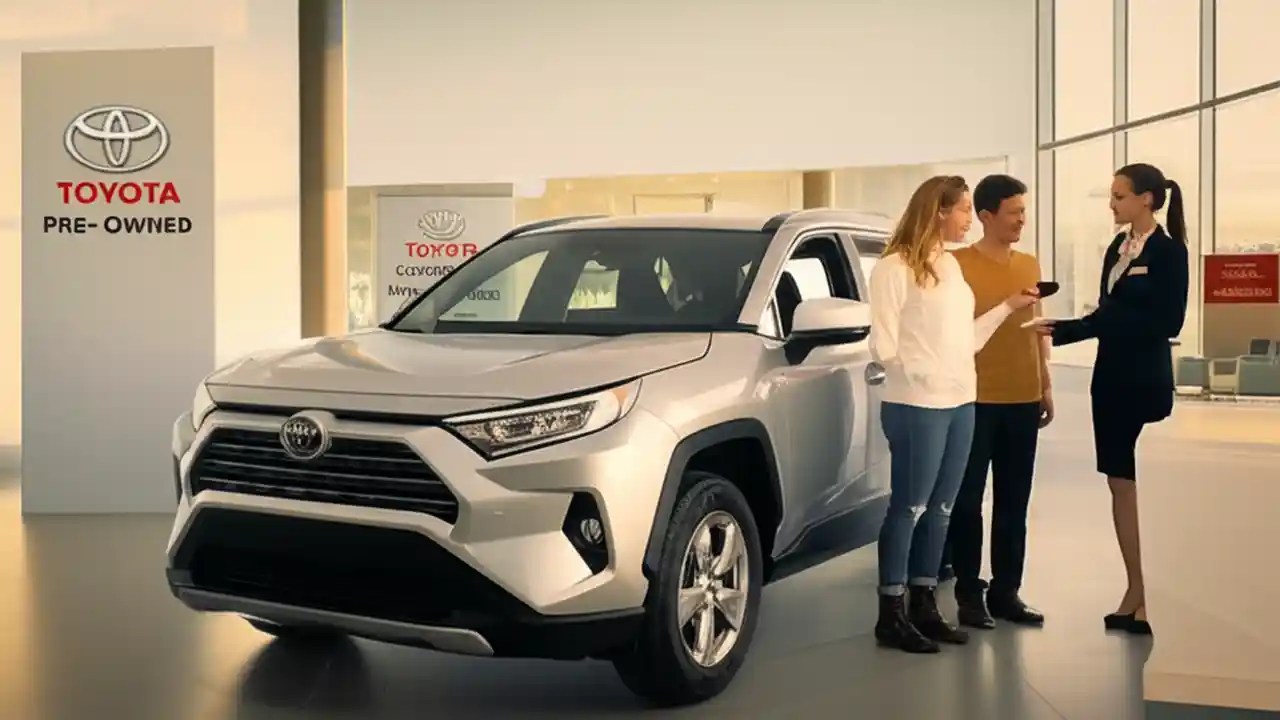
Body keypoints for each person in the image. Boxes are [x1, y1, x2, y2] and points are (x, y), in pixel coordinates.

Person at [868, 175, 1040, 654]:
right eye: (964, 209)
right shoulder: (895, 267)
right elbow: (882, 343)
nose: (969, 218)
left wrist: (1009, 306)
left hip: (962, 400)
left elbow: (967, 338)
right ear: (939, 210)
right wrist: (925, 371)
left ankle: (925, 605)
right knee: (910, 507)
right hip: (917, 405)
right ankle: (891, 613)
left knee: (942, 509)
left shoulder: (947, 265)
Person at [1034, 163, 1189, 636]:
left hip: (1145, 380)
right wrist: (1070, 329)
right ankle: (1136, 589)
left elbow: (1167, 323)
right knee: (1119, 484)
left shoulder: (1168, 252)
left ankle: (1153, 593)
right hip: (1111, 381)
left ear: (1146, 199)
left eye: (1119, 196)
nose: (1112, 204)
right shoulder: (1116, 249)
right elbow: (1108, 314)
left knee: (1147, 488)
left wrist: (1080, 328)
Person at [943, 174, 1050, 630]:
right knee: (967, 501)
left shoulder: (1029, 264)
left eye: (1024, 212)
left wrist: (1044, 384)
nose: (1022, 220)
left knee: (1014, 501)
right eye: (1014, 213)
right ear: (986, 216)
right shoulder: (957, 266)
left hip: (1023, 398)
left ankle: (1008, 591)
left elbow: (1038, 328)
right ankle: (969, 592)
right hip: (974, 399)